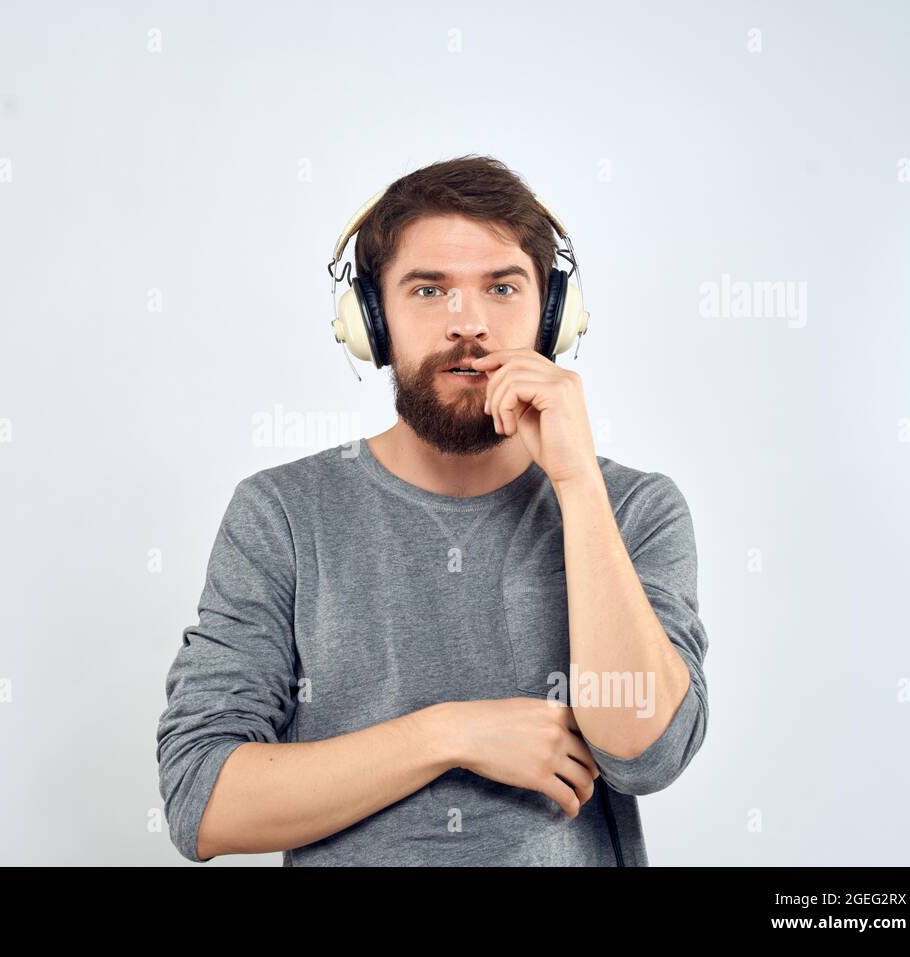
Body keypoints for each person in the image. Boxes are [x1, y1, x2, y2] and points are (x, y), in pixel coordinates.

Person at [155, 154, 709, 866]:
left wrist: (576, 484)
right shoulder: (282, 514)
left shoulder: (633, 508)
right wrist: (450, 736)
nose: (467, 322)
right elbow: (201, 801)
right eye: (428, 289)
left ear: (553, 316)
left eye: (502, 287)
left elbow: (646, 752)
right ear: (370, 322)